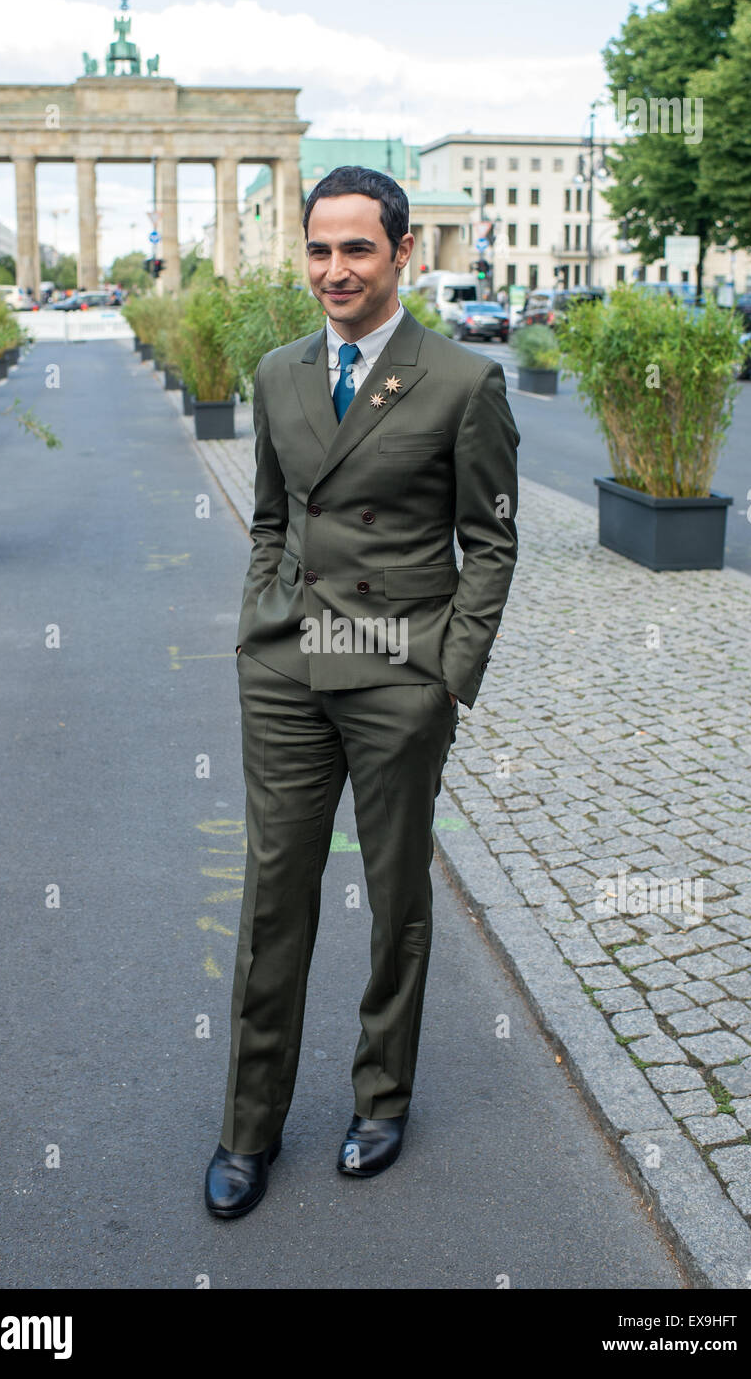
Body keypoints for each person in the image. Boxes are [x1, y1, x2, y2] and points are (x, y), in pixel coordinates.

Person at [204, 165, 520, 1219]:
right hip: (287, 669)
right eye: (318, 249)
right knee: (272, 896)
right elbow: (270, 516)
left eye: (356, 248)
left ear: (402, 253)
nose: (334, 269)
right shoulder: (276, 372)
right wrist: (259, 622)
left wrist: (447, 678)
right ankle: (249, 1126)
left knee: (395, 901)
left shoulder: (462, 383)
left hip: (396, 675)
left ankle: (381, 1099)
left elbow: (490, 541)